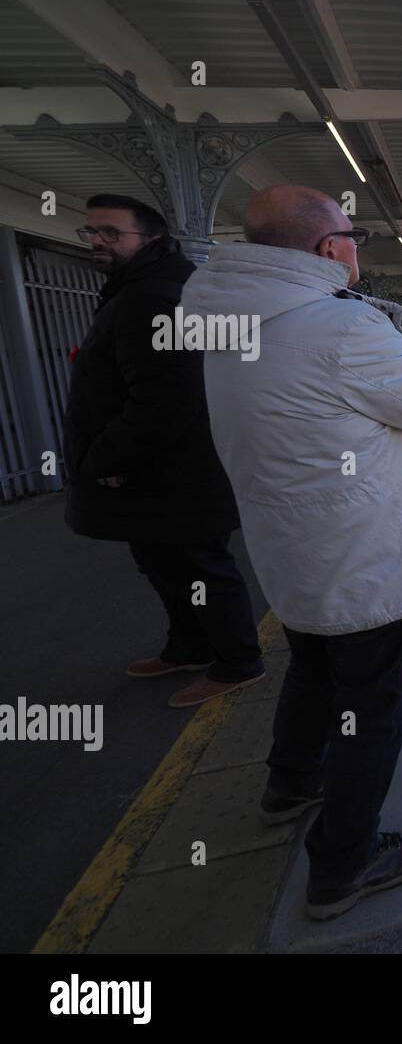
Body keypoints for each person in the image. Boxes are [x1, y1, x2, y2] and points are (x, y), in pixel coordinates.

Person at [183, 184, 402, 921]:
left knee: (316, 671)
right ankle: (344, 863)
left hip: (296, 551)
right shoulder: (340, 328)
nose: (358, 248)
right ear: (328, 248)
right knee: (373, 710)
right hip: (367, 558)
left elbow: (337, 396)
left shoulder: (234, 323)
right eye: (354, 235)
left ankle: (289, 781)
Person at [63, 194, 264, 708]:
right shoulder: (141, 289)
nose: (98, 242)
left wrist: (107, 457)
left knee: (201, 567)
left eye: (111, 233)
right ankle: (189, 646)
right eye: (92, 232)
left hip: (177, 473)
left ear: (149, 239)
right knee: (162, 564)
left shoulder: (154, 297)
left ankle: (238, 661)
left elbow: (166, 396)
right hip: (158, 473)